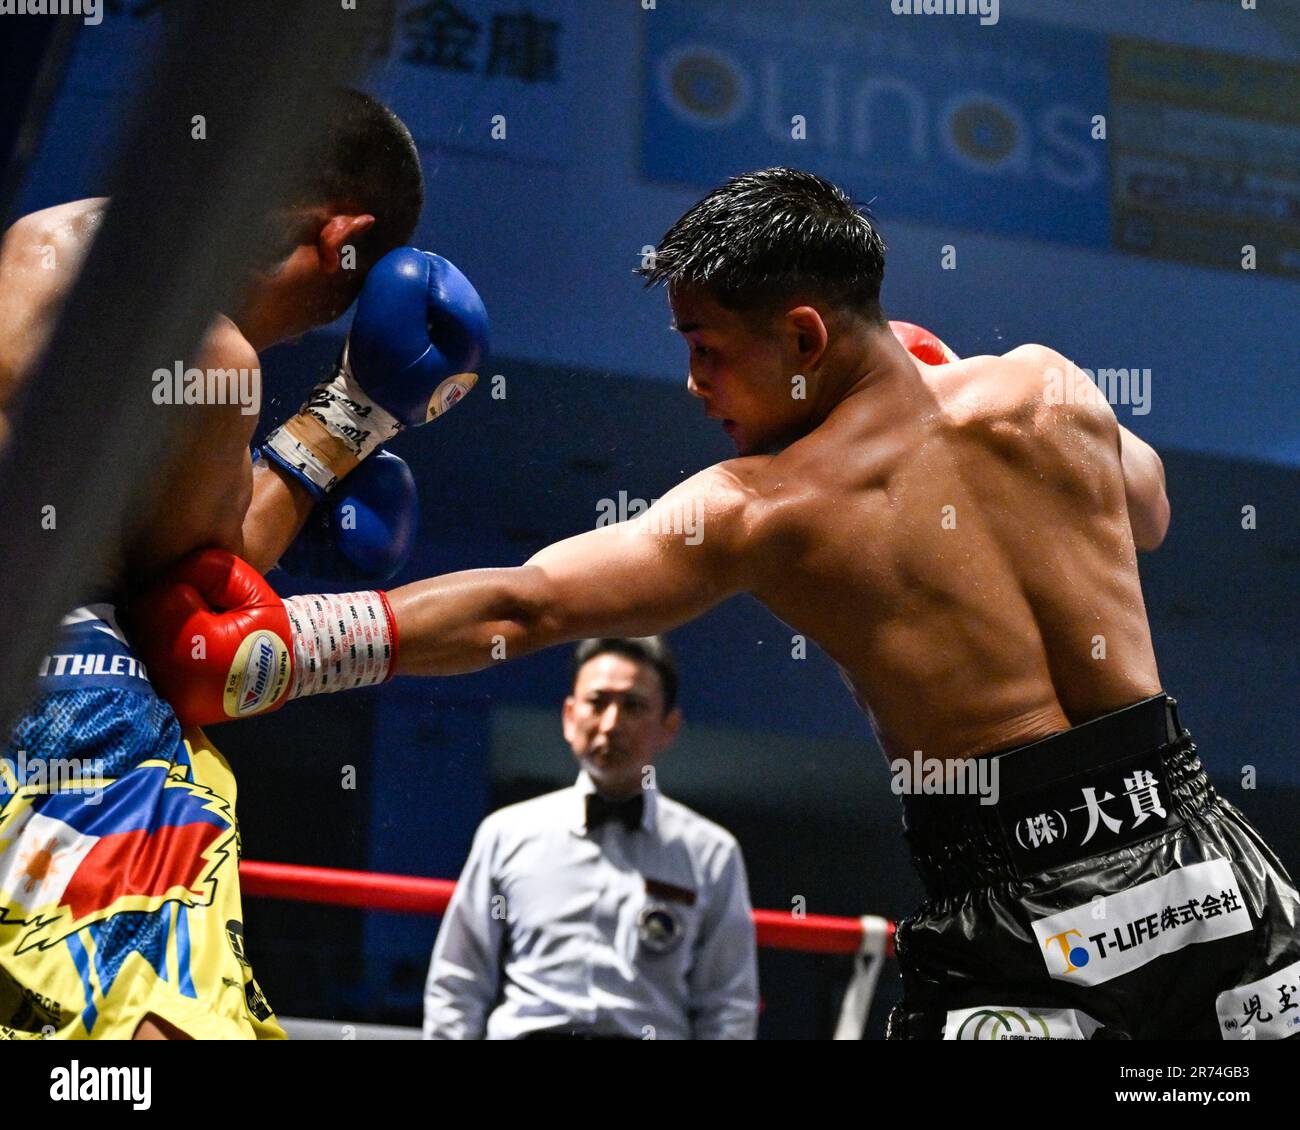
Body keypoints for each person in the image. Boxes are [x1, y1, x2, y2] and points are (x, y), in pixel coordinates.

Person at [136, 167, 1299, 1040]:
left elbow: (532, 602)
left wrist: (281, 649)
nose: (693, 386)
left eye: (704, 348)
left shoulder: (767, 505)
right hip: (1212, 867)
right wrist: (943, 383)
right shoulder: (1048, 384)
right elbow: (1145, 510)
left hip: (1025, 915)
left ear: (801, 334)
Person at [0, 88, 489, 1039]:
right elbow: (191, 624)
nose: (299, 332)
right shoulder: (214, 355)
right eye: (330, 308)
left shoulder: (35, 241)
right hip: (57, 698)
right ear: (337, 237)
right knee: (156, 1019)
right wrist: (345, 419)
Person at [424, 636, 758, 1040]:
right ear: (569, 716)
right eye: (597, 702)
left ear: (668, 727)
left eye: (633, 706)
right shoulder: (506, 834)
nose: (611, 724)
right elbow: (459, 980)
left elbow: (727, 1006)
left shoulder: (711, 853)